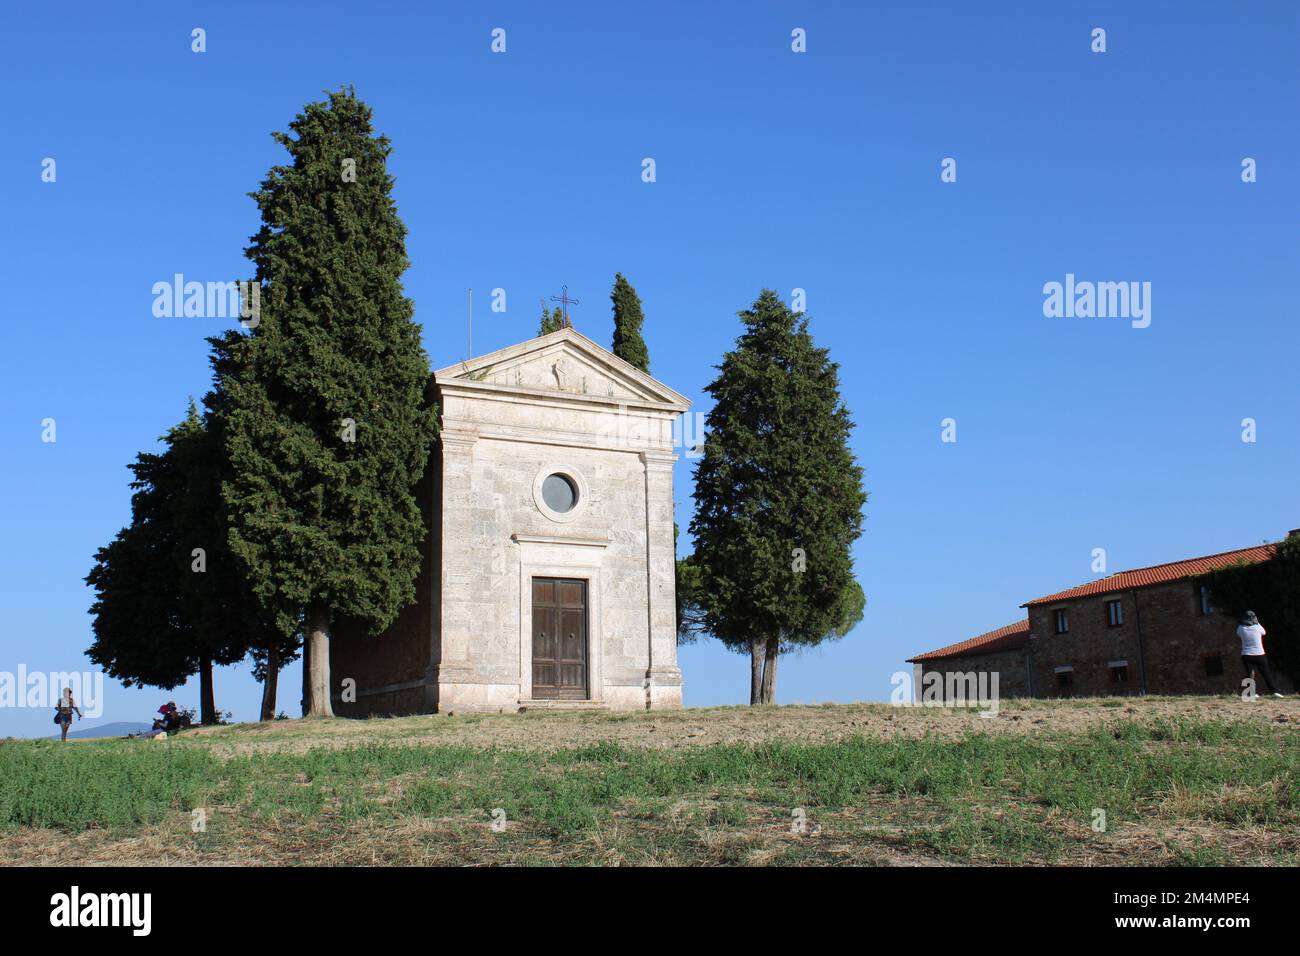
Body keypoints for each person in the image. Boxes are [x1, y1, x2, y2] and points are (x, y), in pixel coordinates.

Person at [1237, 610, 1284, 699]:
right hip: (1260, 654)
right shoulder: (1258, 627)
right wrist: (1257, 623)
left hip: (1246, 655)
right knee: (1266, 673)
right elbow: (1264, 632)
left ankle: (1251, 694)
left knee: (1250, 674)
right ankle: (1274, 691)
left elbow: (1238, 633)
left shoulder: (1241, 628)